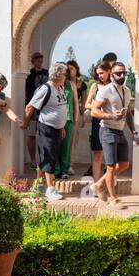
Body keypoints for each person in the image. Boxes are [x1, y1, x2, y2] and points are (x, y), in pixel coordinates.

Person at [22, 60, 70, 200]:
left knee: (47, 157)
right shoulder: (46, 88)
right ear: (58, 75)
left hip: (56, 129)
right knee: (48, 157)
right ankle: (50, 188)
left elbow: (60, 108)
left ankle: (38, 185)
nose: (66, 77)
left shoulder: (59, 88)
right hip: (46, 129)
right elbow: (30, 107)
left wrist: (61, 127)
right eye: (64, 74)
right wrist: (25, 123)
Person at [91, 60, 132, 204]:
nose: (121, 75)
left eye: (124, 73)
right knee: (111, 166)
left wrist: (134, 131)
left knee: (124, 164)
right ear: (112, 75)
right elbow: (94, 111)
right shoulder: (105, 90)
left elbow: (129, 112)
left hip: (120, 131)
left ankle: (99, 184)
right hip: (107, 130)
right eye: (118, 73)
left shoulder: (126, 91)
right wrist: (111, 116)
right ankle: (113, 198)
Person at [85, 62, 111, 183]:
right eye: (98, 74)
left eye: (102, 73)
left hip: (110, 121)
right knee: (97, 154)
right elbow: (87, 104)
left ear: (109, 72)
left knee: (111, 156)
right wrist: (97, 107)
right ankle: (96, 184)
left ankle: (108, 183)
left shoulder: (114, 86)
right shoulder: (95, 86)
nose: (99, 76)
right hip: (97, 121)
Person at [56, 60, 81, 178]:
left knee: (66, 146)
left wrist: (76, 119)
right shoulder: (54, 84)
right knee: (56, 145)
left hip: (68, 119)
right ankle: (55, 170)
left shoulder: (71, 84)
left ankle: (64, 170)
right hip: (56, 120)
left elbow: (75, 102)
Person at [23, 51, 49, 168]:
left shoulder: (47, 73)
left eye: (41, 57)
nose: (39, 59)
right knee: (32, 135)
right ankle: (33, 160)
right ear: (32, 60)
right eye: (36, 57)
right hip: (33, 109)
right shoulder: (28, 74)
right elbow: (25, 92)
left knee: (45, 135)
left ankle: (44, 160)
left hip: (45, 109)